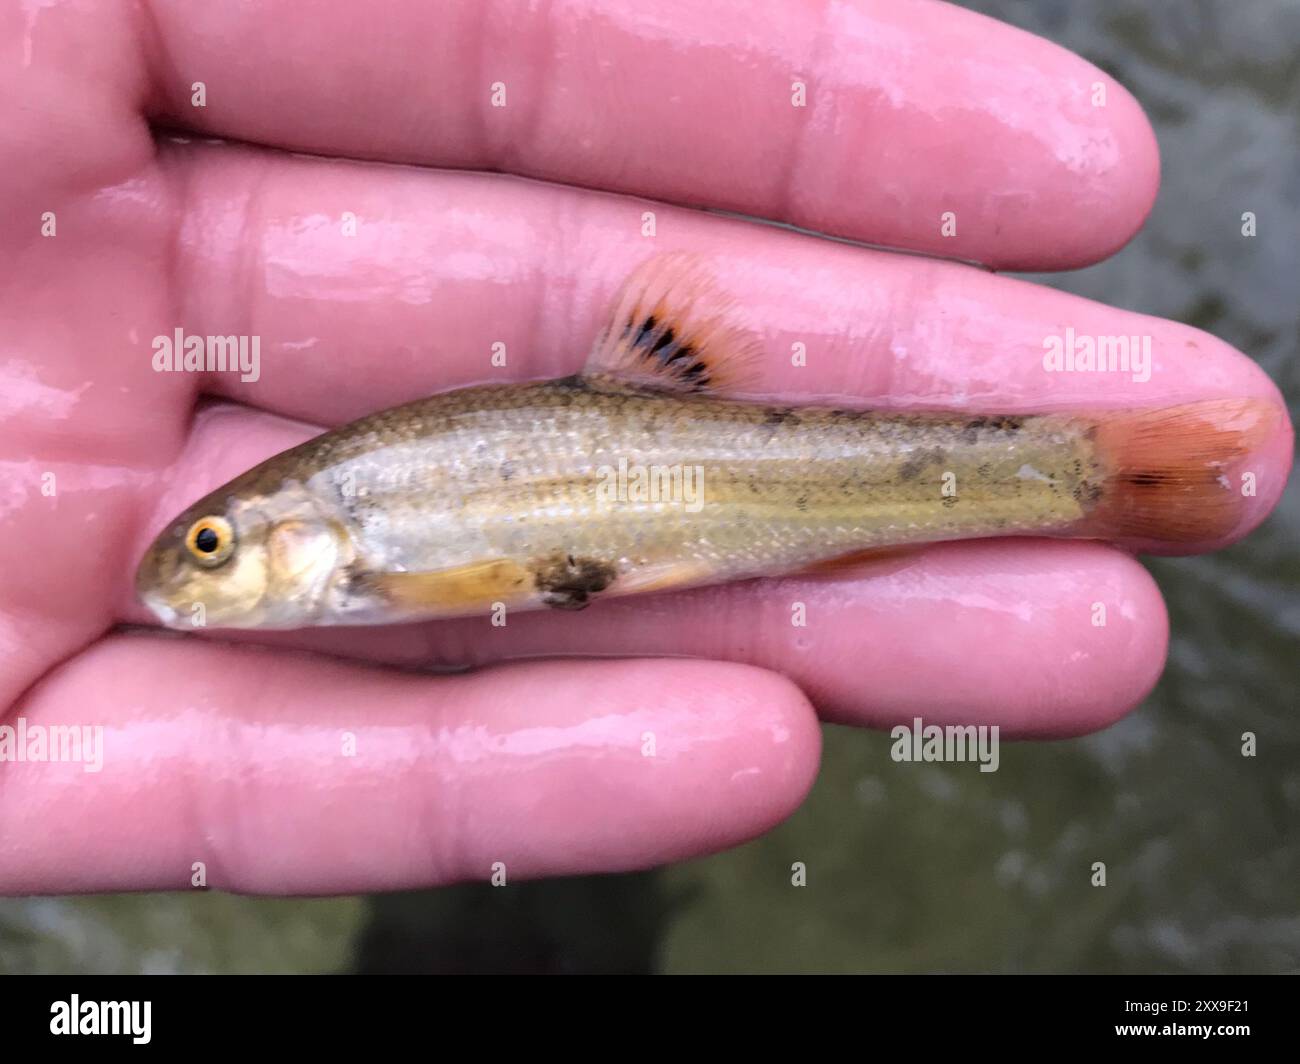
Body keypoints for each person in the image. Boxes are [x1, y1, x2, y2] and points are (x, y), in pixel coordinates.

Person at [0, 0, 1290, 895]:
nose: (193, 569)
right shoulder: (340, 518)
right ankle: (1083, 473)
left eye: (213, 544)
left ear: (290, 534)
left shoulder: (365, 538)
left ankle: (1085, 472)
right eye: (207, 547)